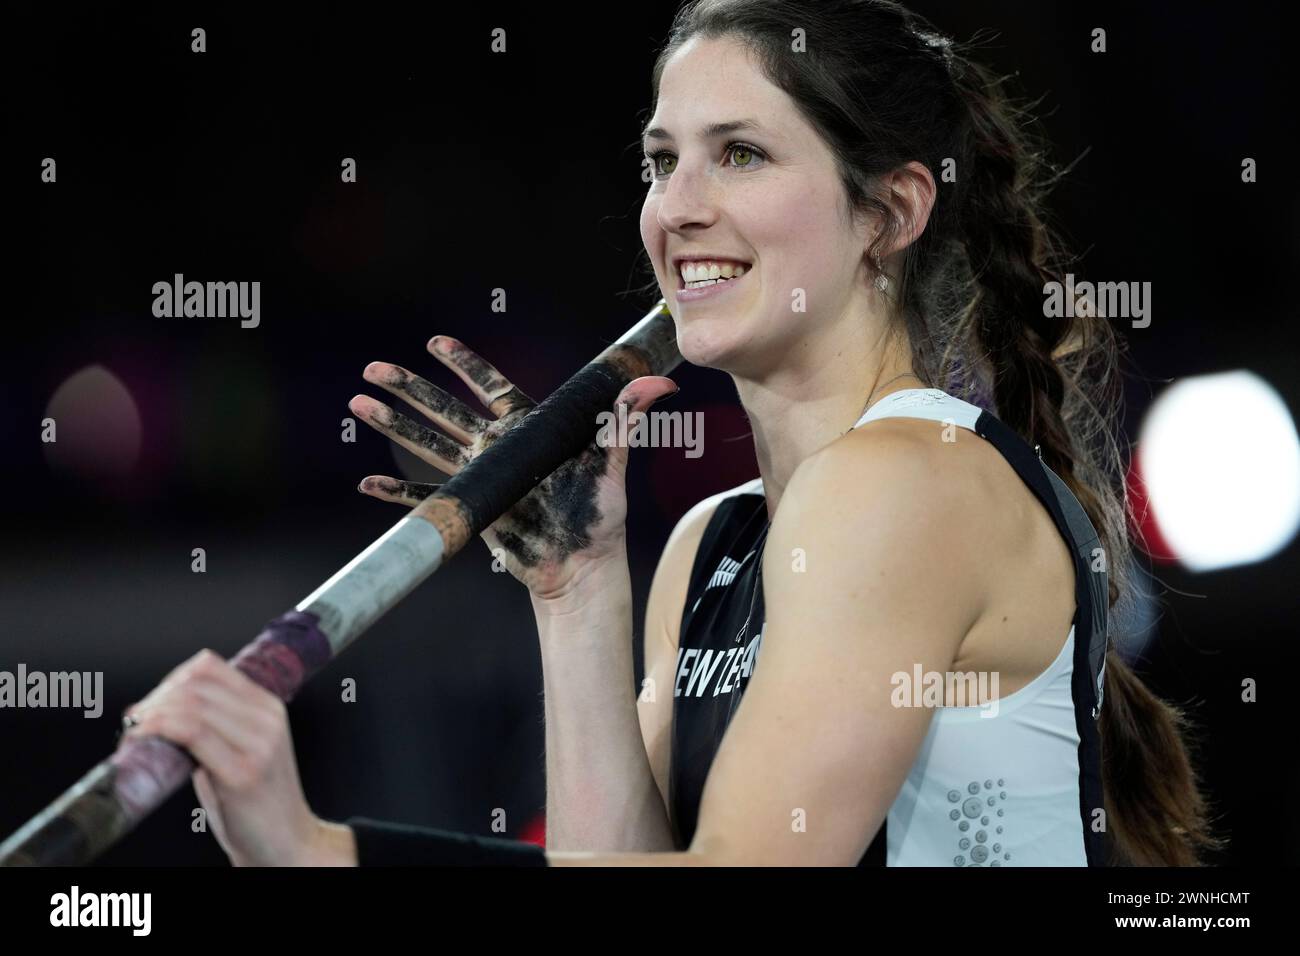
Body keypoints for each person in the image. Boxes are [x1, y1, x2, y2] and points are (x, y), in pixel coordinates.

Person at [122, 0, 1219, 866]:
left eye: (738, 154)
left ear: (889, 212)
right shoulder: (712, 541)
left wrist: (321, 852)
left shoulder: (910, 481)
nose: (676, 207)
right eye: (661, 160)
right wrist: (579, 590)